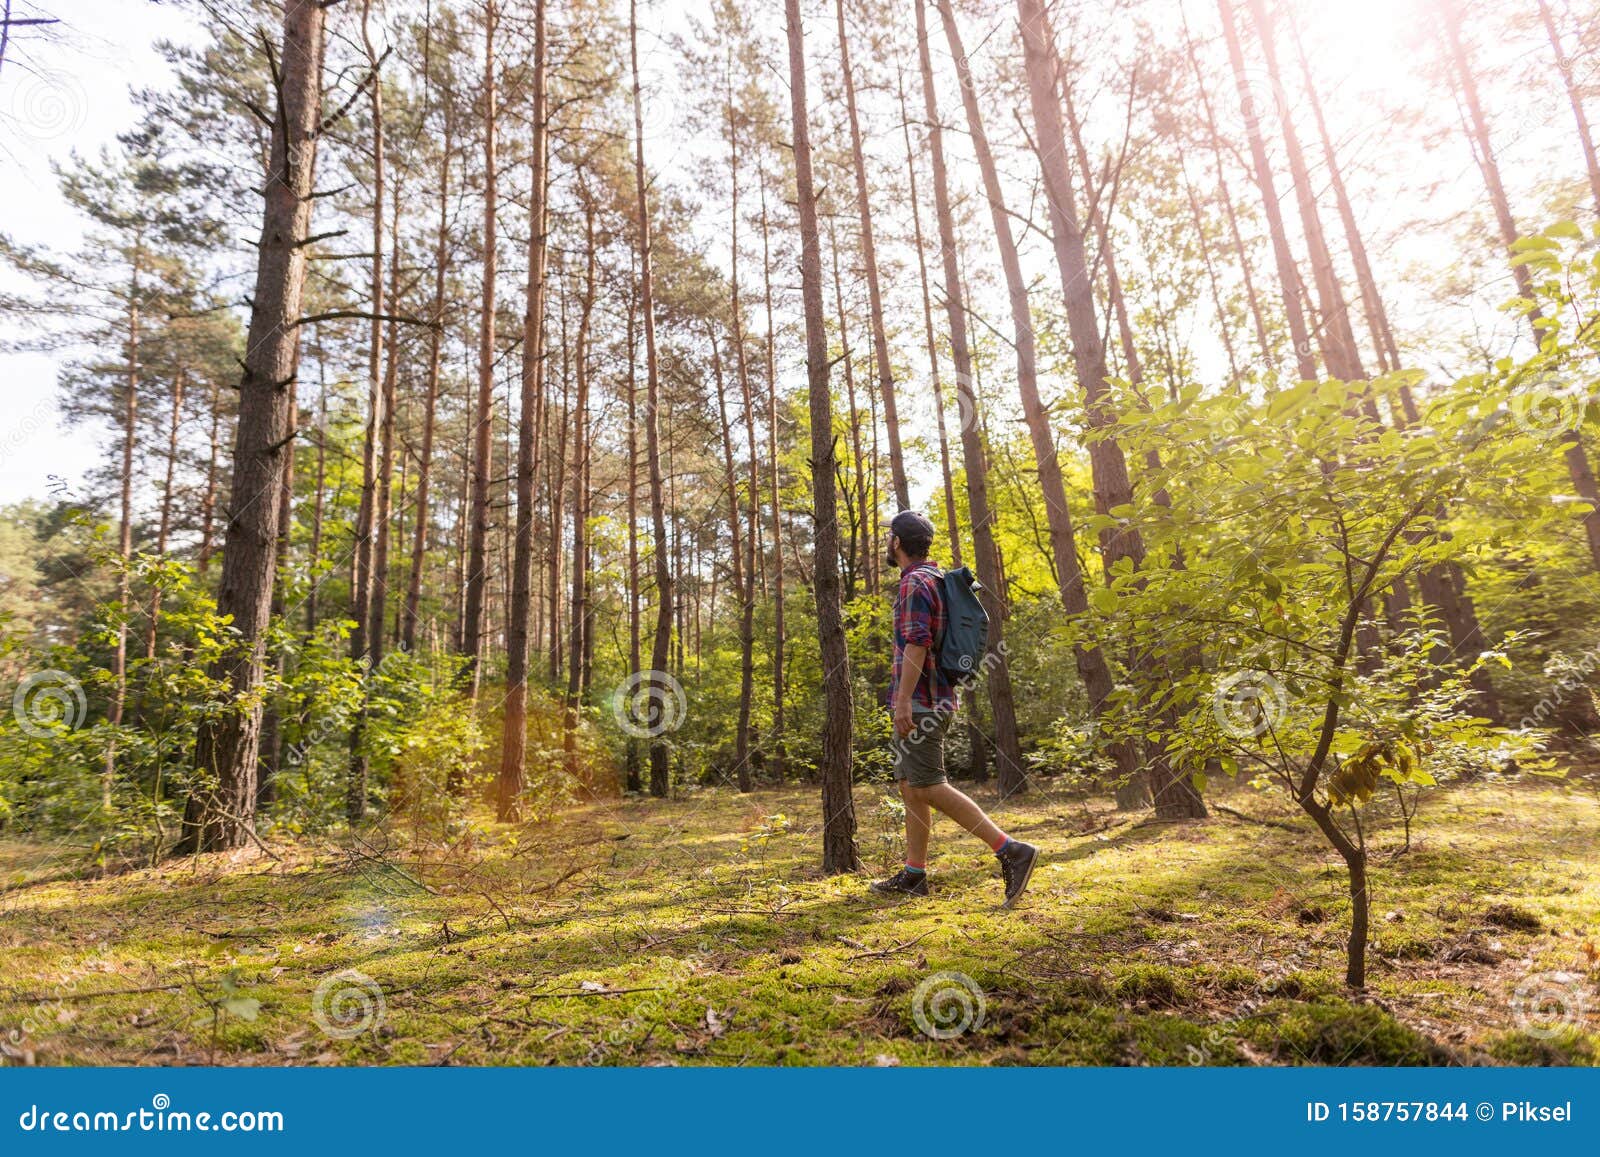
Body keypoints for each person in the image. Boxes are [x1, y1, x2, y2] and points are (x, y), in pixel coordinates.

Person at [870, 510, 1039, 905]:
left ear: (896, 542)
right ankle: (915, 875)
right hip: (936, 698)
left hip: (921, 701)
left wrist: (902, 703)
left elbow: (917, 643)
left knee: (929, 784)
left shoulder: (914, 583)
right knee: (910, 786)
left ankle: (1012, 850)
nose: (886, 543)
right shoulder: (936, 578)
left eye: (887, 538)